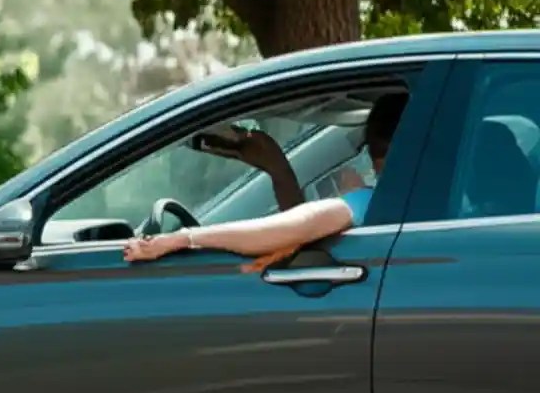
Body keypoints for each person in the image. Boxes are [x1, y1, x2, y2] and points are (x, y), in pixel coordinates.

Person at [123, 91, 408, 269]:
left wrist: (182, 238)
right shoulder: (425, 204)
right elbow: (299, 236)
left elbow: (296, 226)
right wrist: (279, 171)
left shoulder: (373, 201)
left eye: (375, 147)